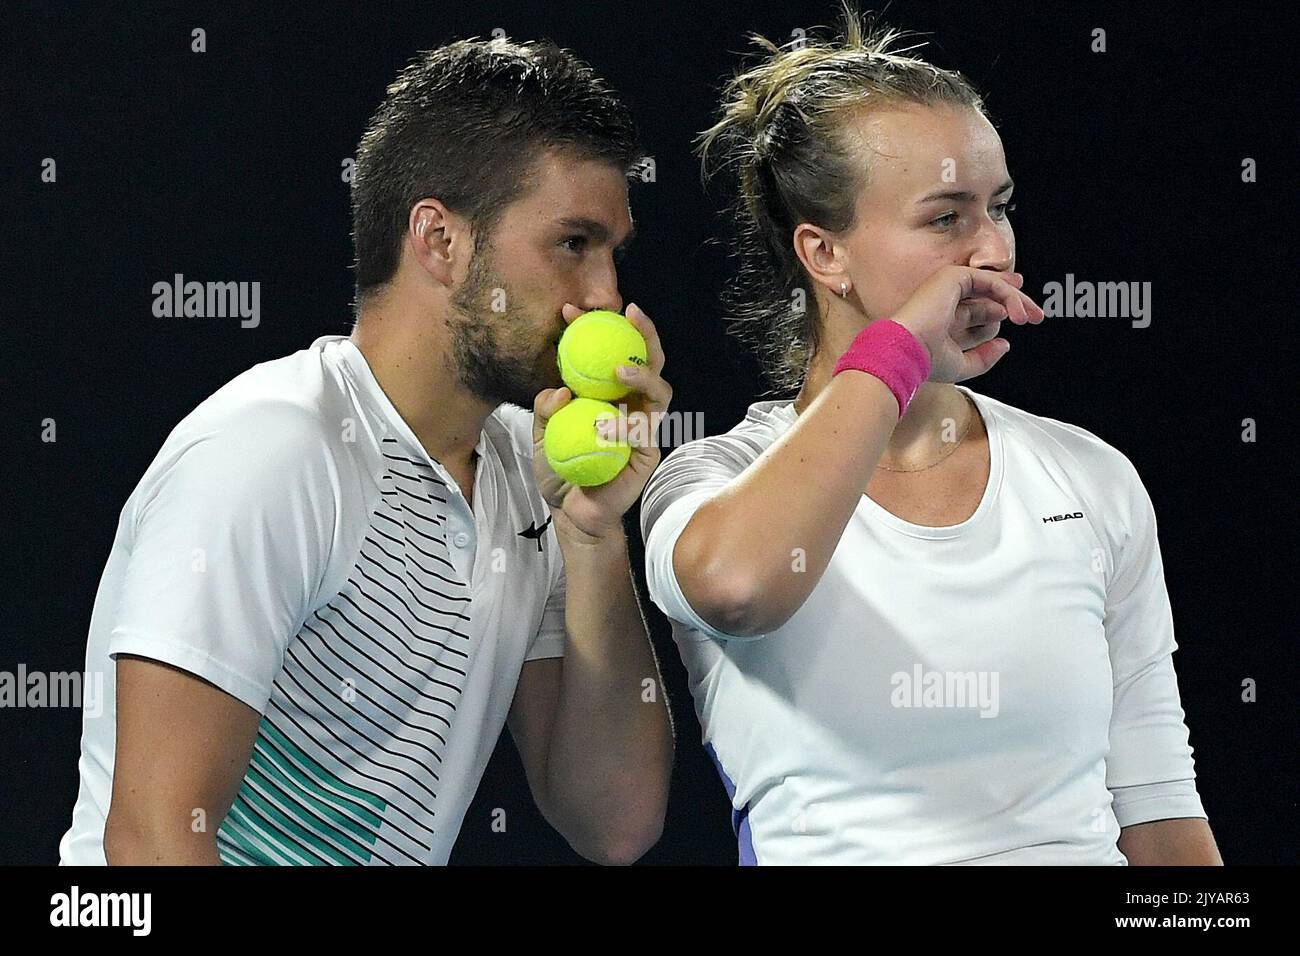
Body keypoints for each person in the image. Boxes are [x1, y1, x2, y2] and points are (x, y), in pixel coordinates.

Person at [61, 36, 673, 866]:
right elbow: (154, 837)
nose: (604, 295)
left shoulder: (532, 481)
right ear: (440, 239)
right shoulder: (272, 450)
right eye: (573, 243)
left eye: (612, 253)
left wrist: (595, 538)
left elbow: (615, 825)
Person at [640, 9, 1222, 865]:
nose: (991, 248)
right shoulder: (719, 477)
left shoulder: (1088, 476)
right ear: (824, 254)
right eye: (946, 217)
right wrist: (898, 352)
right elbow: (738, 588)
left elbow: (1160, 809)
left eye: (1000, 207)